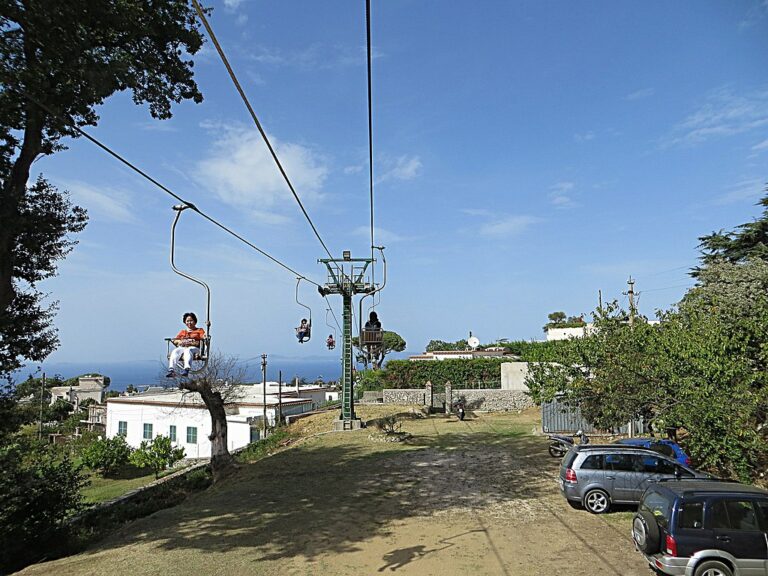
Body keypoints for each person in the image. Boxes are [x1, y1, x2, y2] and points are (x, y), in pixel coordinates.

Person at [166, 312, 205, 378]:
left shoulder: (199, 330)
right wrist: (180, 342)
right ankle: (171, 370)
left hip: (194, 348)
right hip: (183, 347)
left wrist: (192, 342)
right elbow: (176, 340)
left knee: (188, 350)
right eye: (187, 321)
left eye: (191, 321)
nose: (189, 322)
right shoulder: (183, 332)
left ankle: (186, 368)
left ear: (195, 321)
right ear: (185, 322)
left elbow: (204, 337)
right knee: (175, 351)